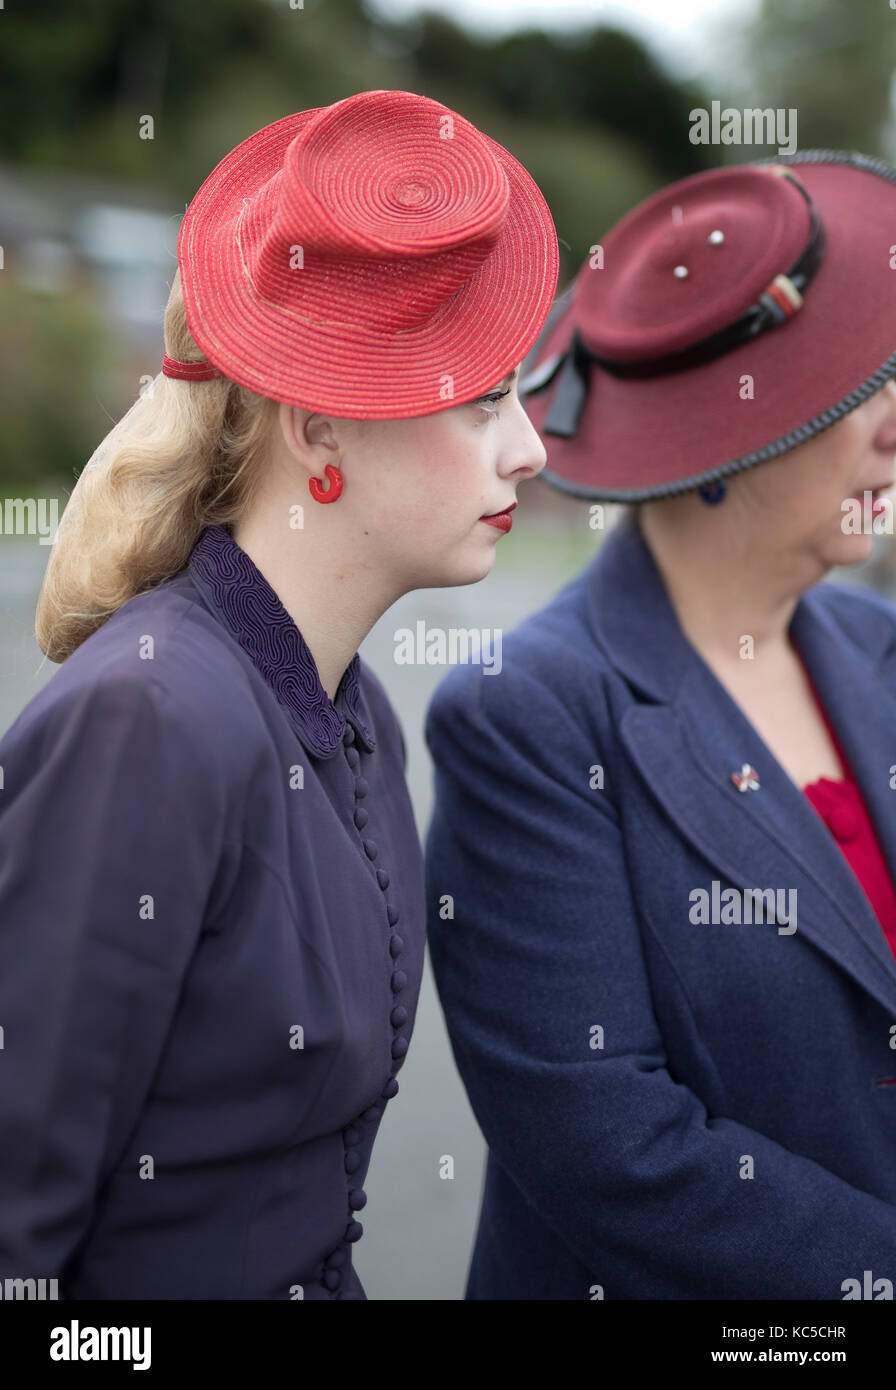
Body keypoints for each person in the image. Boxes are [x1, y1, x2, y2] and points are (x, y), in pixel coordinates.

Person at [0, 89, 557, 1300]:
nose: (530, 450)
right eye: (482, 399)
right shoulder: (149, 717)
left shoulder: (350, 707)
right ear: (316, 431)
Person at [424, 151, 896, 1300]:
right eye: (851, 392)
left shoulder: (874, 647)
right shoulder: (527, 715)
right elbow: (614, 1149)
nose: (891, 428)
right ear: (720, 444)